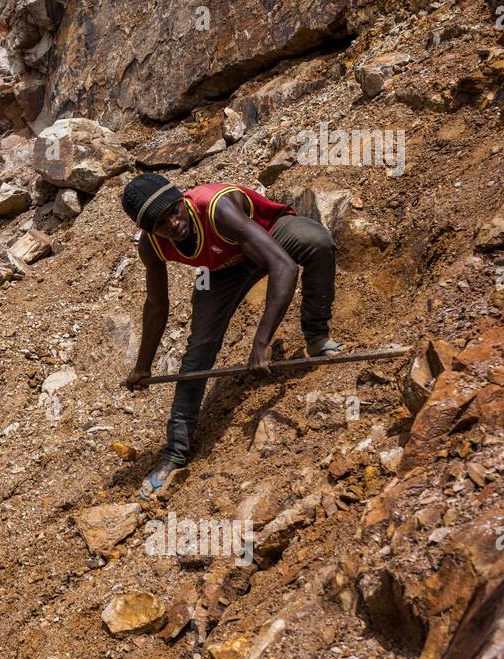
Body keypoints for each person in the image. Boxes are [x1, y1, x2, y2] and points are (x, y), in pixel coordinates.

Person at [121, 174, 342, 498]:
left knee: (317, 240)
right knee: (198, 354)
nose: (174, 224)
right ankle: (175, 453)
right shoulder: (152, 245)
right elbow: (156, 305)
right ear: (150, 231)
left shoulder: (216, 207)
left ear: (182, 199)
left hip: (267, 238)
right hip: (219, 271)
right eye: (162, 224)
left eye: (174, 211)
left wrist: (261, 343)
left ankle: (316, 336)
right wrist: (142, 366)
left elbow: (284, 266)